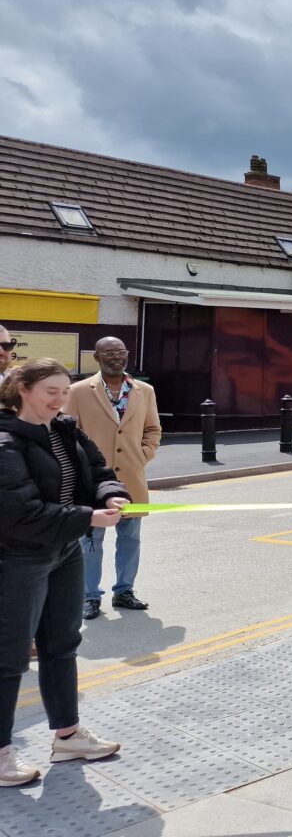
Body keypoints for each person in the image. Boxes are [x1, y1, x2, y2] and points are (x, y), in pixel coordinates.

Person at [0, 358, 125, 786]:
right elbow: (21, 513)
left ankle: (68, 736)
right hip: (19, 557)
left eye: (64, 389)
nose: (60, 398)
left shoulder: (65, 429)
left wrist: (111, 495)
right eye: (50, 390)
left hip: (64, 550)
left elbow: (98, 471)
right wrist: (87, 517)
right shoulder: (6, 442)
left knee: (61, 645)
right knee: (8, 656)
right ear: (23, 390)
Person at [66, 337, 161, 619]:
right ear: (96, 357)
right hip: (93, 483)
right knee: (91, 541)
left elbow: (153, 430)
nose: (116, 357)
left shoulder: (144, 390)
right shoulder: (79, 391)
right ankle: (90, 597)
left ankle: (124, 591)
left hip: (132, 480)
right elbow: (68, 435)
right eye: (109, 353)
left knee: (130, 540)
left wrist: (141, 456)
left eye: (120, 352)